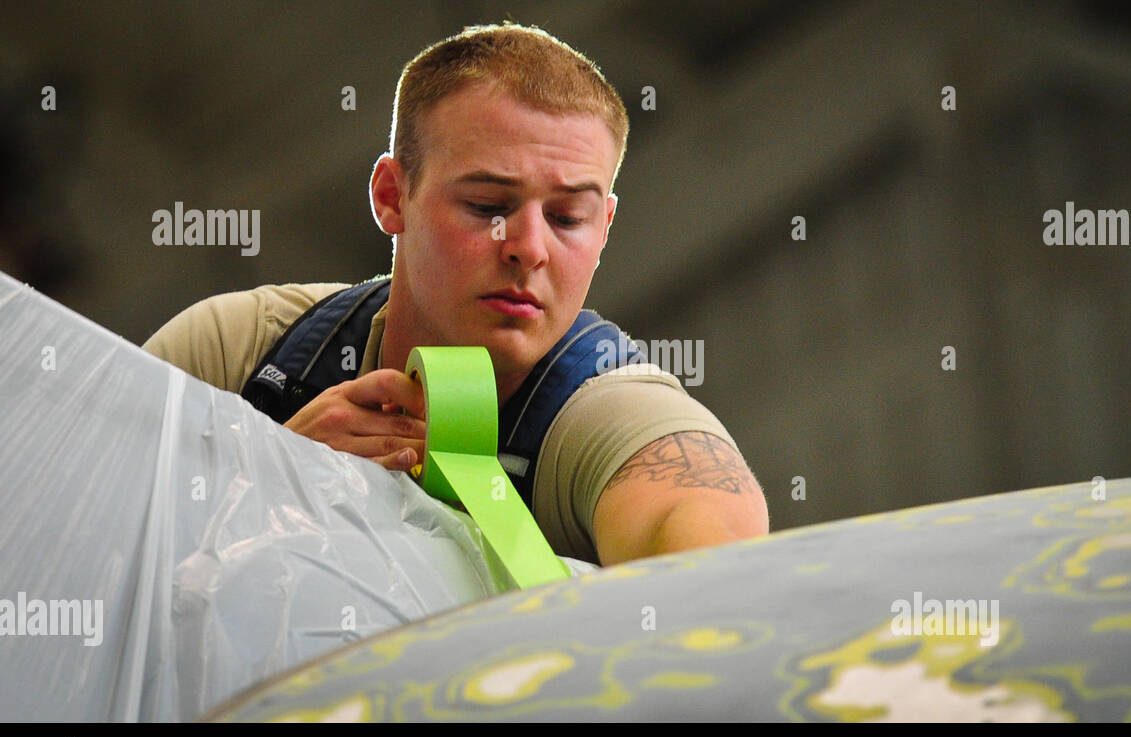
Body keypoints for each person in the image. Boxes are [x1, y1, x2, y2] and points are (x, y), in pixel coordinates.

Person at [143, 22, 768, 567]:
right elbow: (70, 536)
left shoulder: (606, 413)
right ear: (392, 197)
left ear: (605, 227)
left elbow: (715, 567)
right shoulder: (238, 355)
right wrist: (264, 479)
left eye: (568, 218)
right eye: (487, 205)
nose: (529, 247)